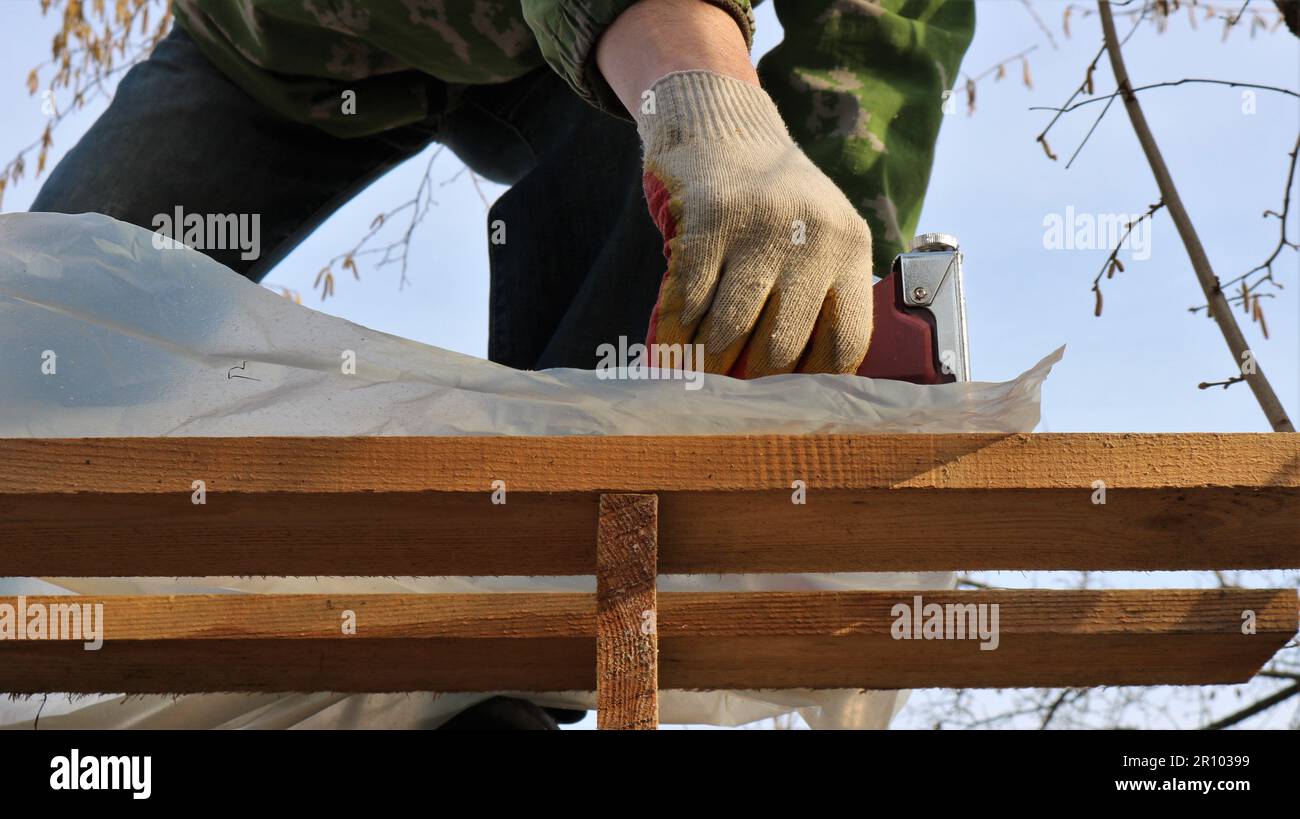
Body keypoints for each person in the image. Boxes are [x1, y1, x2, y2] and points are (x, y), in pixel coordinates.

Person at [31, 0, 974, 727]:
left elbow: (885, 26)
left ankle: (501, 671)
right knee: (36, 338)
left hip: (569, 60)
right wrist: (696, 82)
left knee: (699, 200)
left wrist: (820, 262)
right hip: (281, 55)